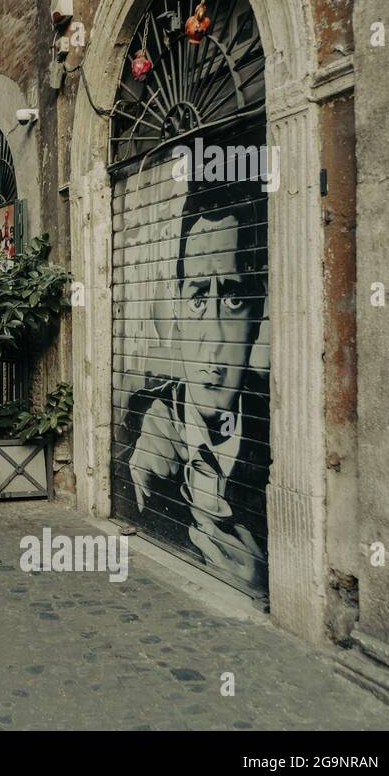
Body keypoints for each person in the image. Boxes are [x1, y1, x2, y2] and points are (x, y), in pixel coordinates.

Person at [116, 183, 269, 595]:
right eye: (199, 298)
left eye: (235, 298)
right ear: (177, 309)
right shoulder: (138, 418)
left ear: (259, 315)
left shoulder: (277, 428)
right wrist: (137, 487)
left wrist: (260, 583)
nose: (215, 341)